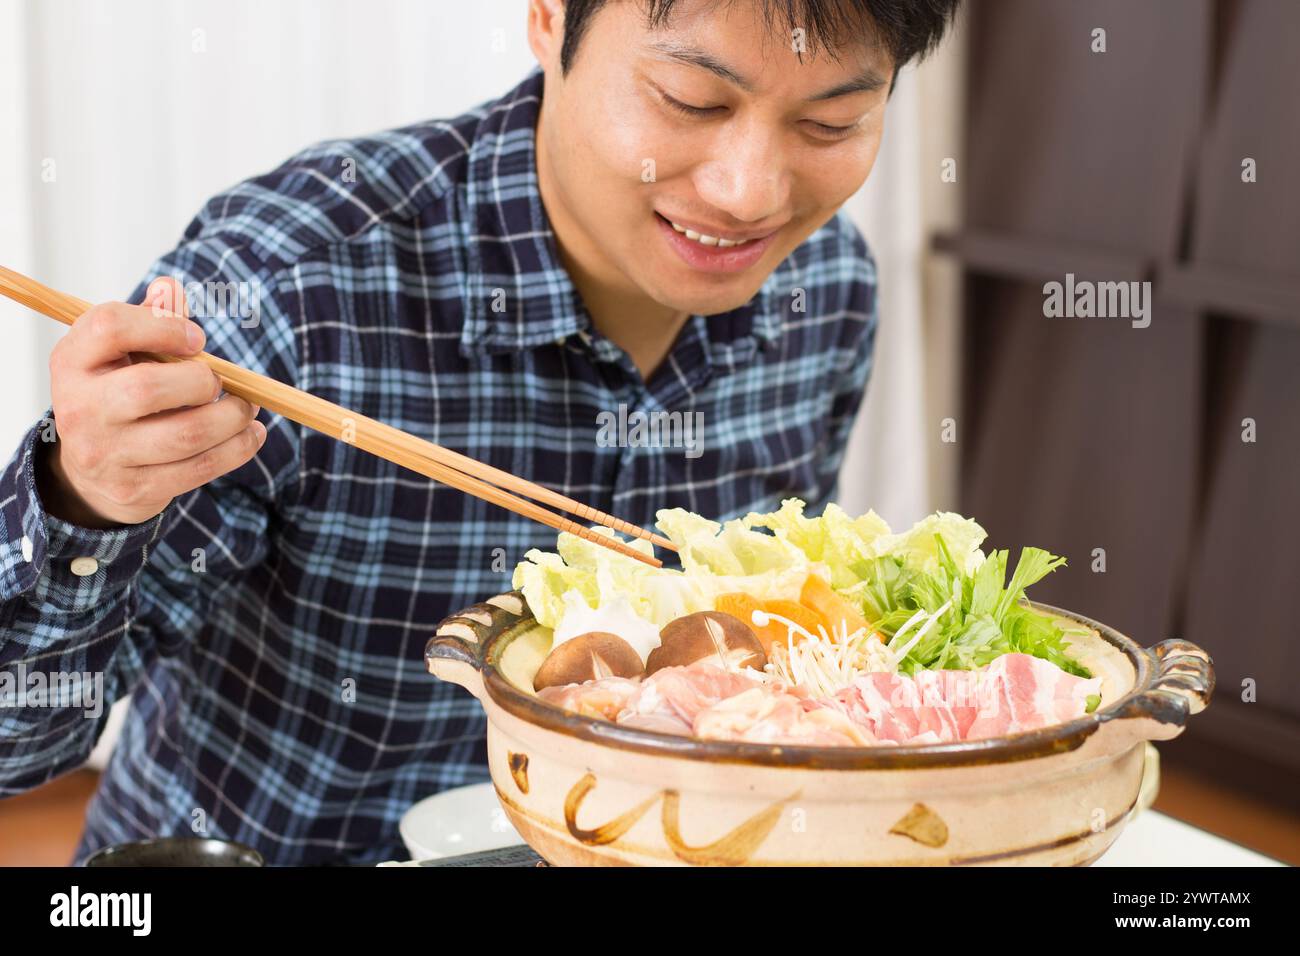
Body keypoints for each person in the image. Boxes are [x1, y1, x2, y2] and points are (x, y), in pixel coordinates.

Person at [0, 0, 959, 864]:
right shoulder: (291, 291)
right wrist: (83, 499)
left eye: (830, 122)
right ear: (548, 18)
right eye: (690, 100)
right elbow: (18, 745)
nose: (750, 192)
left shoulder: (824, 291)